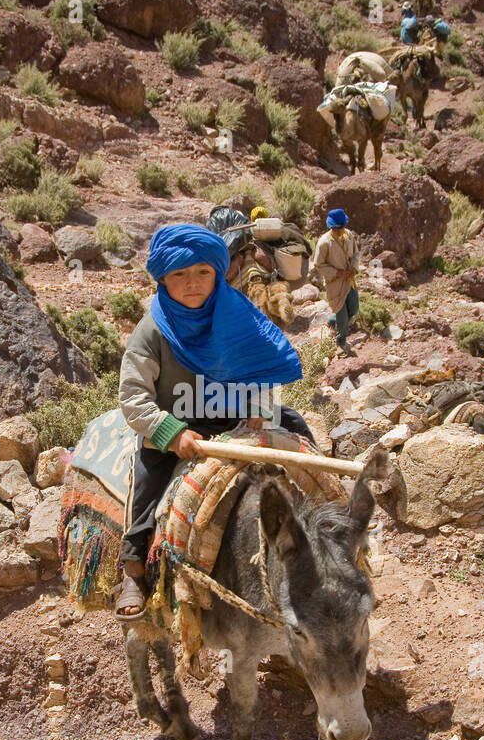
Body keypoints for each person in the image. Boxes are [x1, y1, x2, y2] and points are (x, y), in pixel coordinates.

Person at [115, 223, 313, 617]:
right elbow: (133, 398)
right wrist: (170, 434)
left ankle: (323, 526)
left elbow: (258, 368)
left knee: (297, 429)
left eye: (203, 272)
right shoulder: (151, 331)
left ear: (218, 273)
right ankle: (133, 569)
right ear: (163, 278)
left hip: (233, 417)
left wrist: (258, 409)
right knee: (149, 479)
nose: (192, 284)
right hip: (178, 424)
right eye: (180, 274)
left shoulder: (234, 313)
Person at [312, 208, 360, 352]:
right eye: (336, 228)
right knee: (341, 311)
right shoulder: (324, 243)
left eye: (341, 228)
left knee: (354, 308)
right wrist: (337, 273)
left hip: (349, 281)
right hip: (335, 283)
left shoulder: (349, 235)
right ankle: (341, 342)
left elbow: (356, 254)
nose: (339, 231)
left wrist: (354, 267)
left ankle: (333, 322)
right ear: (331, 227)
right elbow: (318, 264)